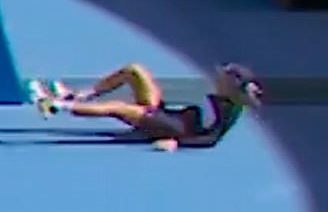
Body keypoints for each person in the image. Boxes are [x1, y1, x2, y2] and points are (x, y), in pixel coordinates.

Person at [28, 62, 265, 150]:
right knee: (135, 71)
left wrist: (176, 143)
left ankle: (54, 106)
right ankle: (78, 96)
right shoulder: (227, 101)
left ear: (231, 87)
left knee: (117, 107)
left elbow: (211, 139)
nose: (217, 77)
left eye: (223, 77)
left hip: (166, 126)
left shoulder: (224, 112)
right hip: (167, 114)